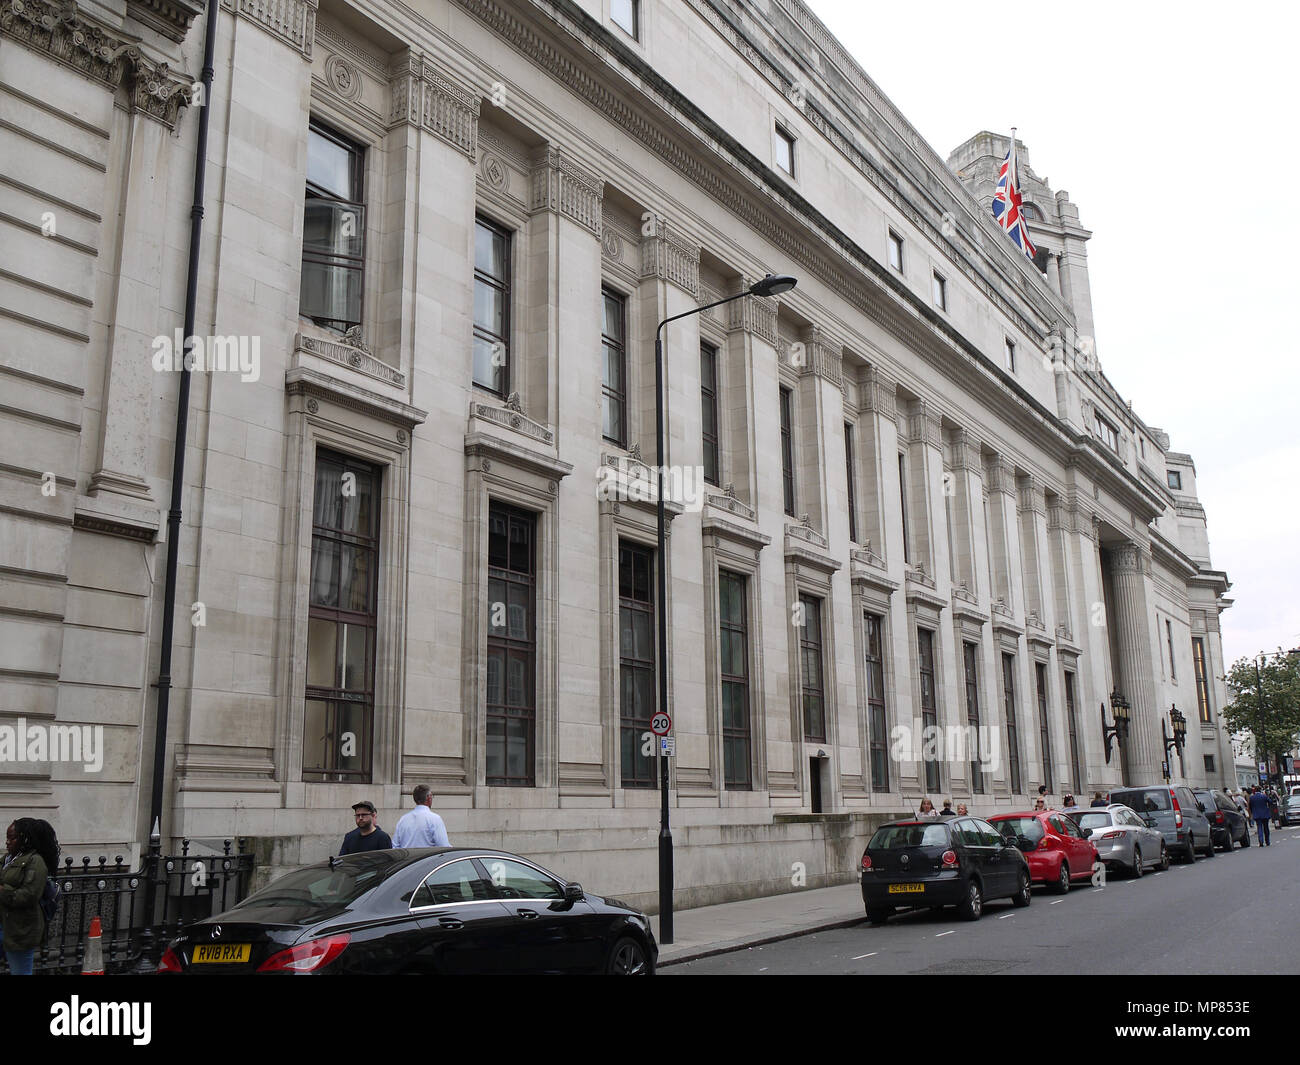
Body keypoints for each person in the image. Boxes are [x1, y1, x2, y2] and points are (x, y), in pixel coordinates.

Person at [0, 818, 59, 975]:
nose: (7, 842)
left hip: (20, 930)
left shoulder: (35, 861)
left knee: (20, 972)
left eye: (12, 838)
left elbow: (29, 895)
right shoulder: (8, 859)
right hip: (3, 923)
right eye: (7, 838)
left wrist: (3, 891)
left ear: (25, 838)